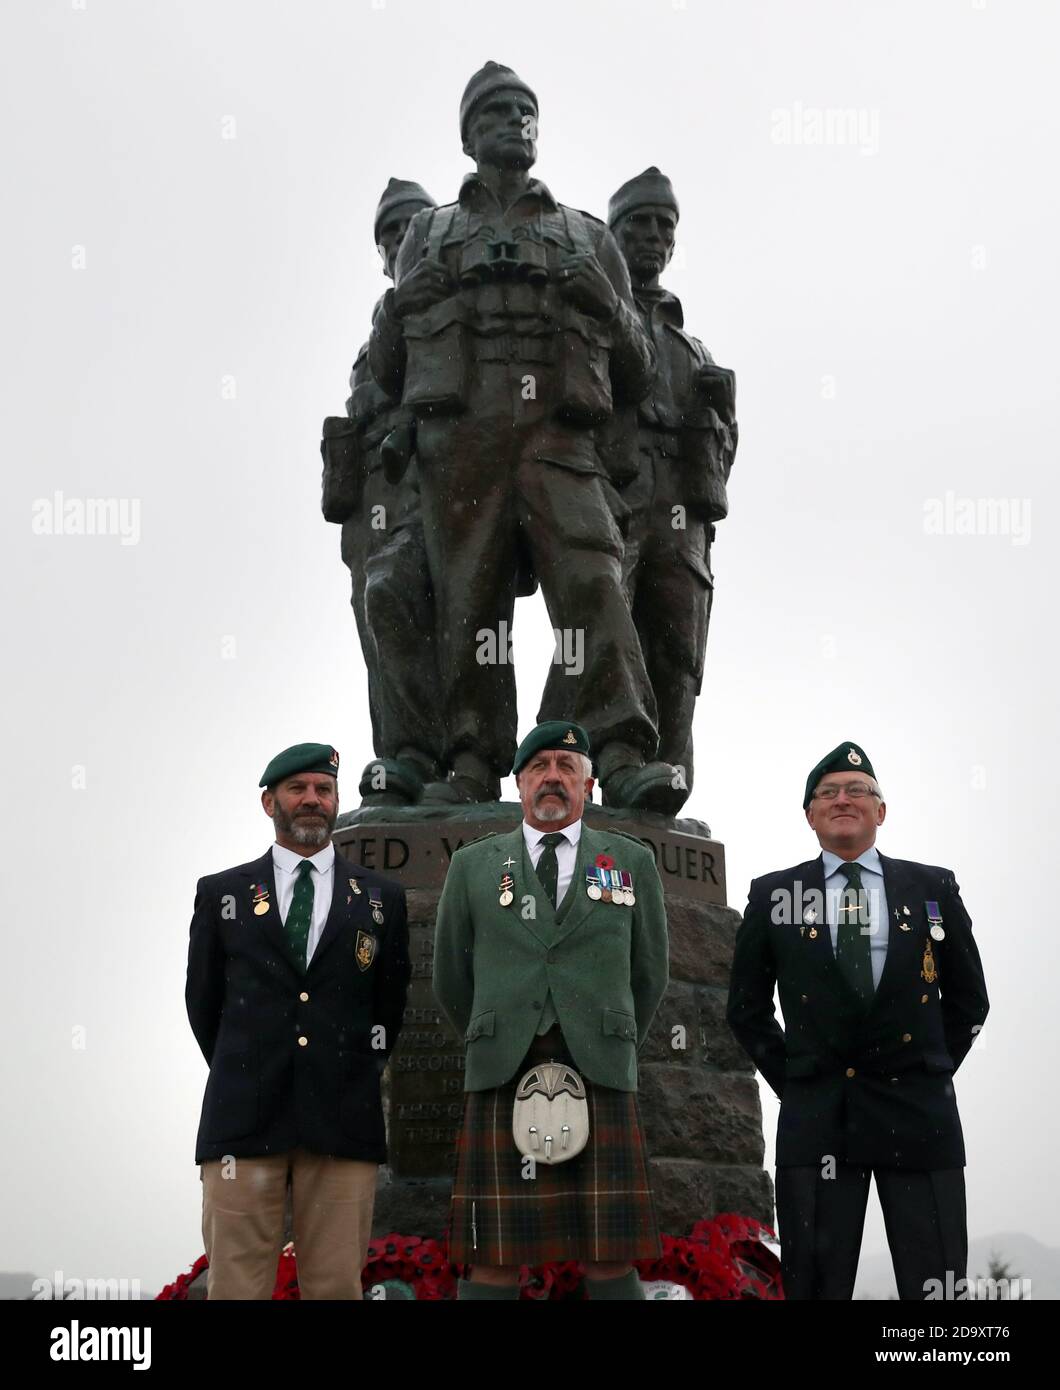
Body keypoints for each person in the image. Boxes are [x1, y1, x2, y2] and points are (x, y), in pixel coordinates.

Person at [368, 62, 686, 813]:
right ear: (469, 135)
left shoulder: (585, 233)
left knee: (594, 581)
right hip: (464, 440)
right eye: (498, 113)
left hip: (557, 438)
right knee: (470, 605)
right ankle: (474, 760)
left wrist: (608, 306)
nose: (515, 123)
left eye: (525, 112)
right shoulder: (429, 232)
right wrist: (393, 311)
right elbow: (389, 373)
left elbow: (638, 376)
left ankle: (619, 751)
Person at [726, 742, 989, 1300]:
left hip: (919, 1114)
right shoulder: (775, 894)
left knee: (936, 1287)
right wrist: (799, 1083)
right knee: (816, 1287)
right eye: (828, 793)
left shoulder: (932, 888)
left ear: (881, 811)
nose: (843, 799)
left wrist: (927, 1068)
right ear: (809, 815)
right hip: (819, 1119)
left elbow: (970, 1002)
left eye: (858, 790)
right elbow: (746, 1009)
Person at [433, 720, 669, 1299]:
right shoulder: (474, 865)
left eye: (568, 768)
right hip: (502, 1068)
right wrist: (496, 1031)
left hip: (601, 1067)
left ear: (588, 786)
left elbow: (650, 973)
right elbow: (450, 977)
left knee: (610, 1258)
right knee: (492, 1258)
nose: (553, 778)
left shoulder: (631, 862)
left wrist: (611, 1035)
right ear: (518, 783)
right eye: (539, 767)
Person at [185, 743, 410, 1299]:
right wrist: (252, 1067)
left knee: (335, 1287)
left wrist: (340, 1069)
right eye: (298, 789)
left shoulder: (382, 900)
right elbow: (204, 1005)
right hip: (242, 1122)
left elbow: (388, 1008)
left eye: (324, 789)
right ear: (270, 802)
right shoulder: (224, 894)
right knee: (236, 1287)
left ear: (336, 801)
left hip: (342, 1121)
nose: (312, 799)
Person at [604, 167, 737, 811]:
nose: (655, 237)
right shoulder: (598, 316)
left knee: (679, 649)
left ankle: (670, 780)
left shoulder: (694, 347)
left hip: (682, 515)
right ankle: (601, 761)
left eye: (665, 226)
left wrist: (720, 413)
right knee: (605, 629)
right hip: (616, 494)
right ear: (615, 232)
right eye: (640, 224)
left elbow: (723, 457)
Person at [321, 178, 445, 806]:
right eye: (389, 236)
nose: (401, 243)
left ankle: (445, 757)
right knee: (379, 627)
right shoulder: (381, 326)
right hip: (372, 498)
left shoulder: (451, 307)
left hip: (437, 486)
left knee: (434, 613)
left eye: (409, 227)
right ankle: (403, 757)